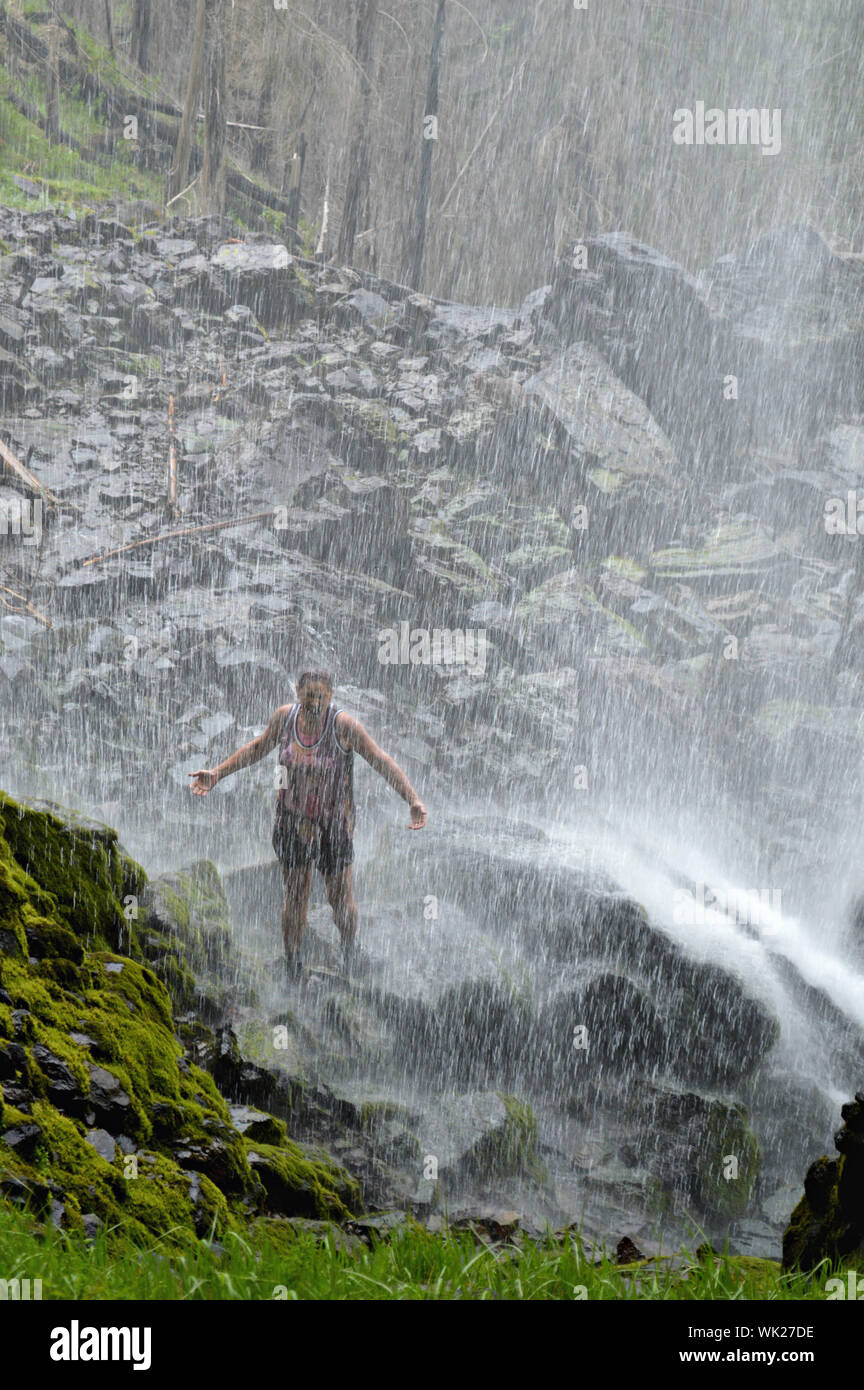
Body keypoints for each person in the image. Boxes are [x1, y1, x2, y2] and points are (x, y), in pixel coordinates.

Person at [188, 671, 426, 979]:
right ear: (298, 692)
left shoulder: (344, 726)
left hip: (334, 826)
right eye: (308, 694)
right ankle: (293, 965)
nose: (314, 701)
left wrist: (412, 799)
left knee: (339, 897)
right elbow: (257, 747)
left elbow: (381, 760)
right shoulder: (285, 718)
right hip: (292, 824)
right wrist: (217, 773)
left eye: (320, 696)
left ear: (331, 696)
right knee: (295, 896)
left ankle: (350, 951)